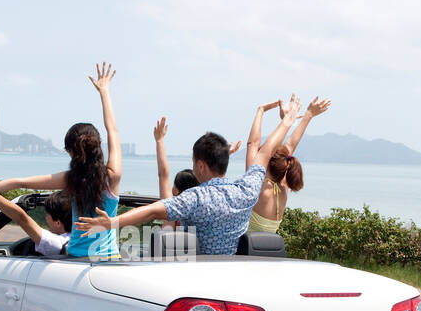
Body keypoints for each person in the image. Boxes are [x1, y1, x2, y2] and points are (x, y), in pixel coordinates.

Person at [76, 95, 303, 255]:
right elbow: (263, 154)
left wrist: (113, 222)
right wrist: (287, 121)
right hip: (234, 273)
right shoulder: (246, 190)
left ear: (201, 165)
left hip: (195, 276)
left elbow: (154, 209)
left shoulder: (196, 198)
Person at [0, 62, 123, 259]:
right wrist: (104, 91)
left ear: (70, 152)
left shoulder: (70, 179)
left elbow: (20, 182)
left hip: (75, 259)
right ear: (98, 146)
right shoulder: (113, 176)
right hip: (109, 260)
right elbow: (113, 129)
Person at [246, 96, 329, 235]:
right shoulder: (283, 188)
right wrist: (308, 115)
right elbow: (289, 146)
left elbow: (252, 143)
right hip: (269, 254)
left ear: (265, 161)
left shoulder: (257, 186)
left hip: (245, 252)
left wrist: (261, 111)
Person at [0, 180, 72, 256]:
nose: (46, 217)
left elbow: (21, 217)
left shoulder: (56, 244)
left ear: (58, 223)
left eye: (47, 215)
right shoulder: (82, 240)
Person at [154, 117, 240, 199]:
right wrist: (223, 155)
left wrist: (159, 140)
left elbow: (163, 175)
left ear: (176, 190)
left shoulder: (172, 207)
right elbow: (214, 174)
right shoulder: (206, 200)